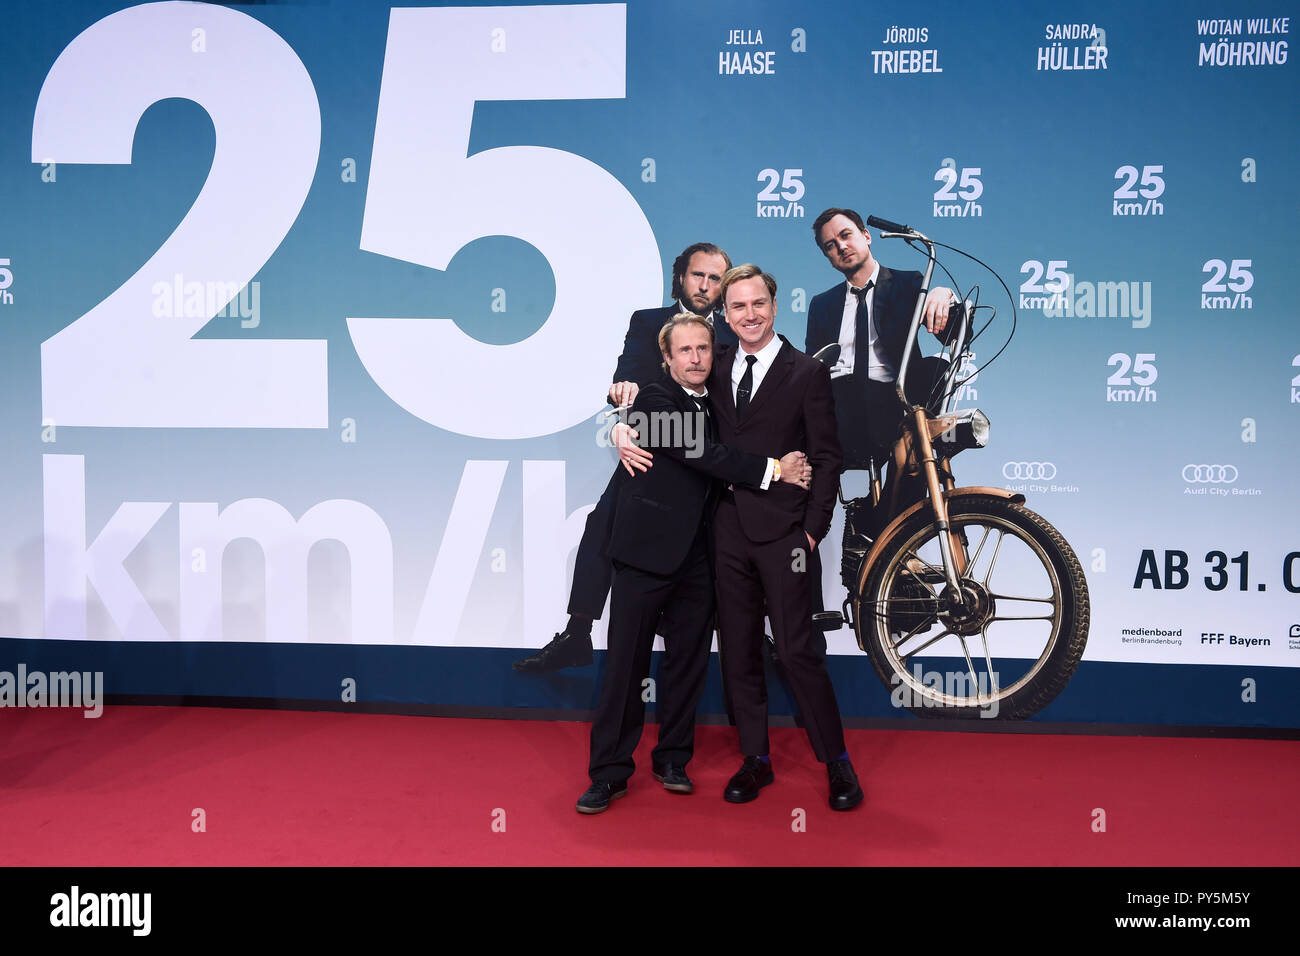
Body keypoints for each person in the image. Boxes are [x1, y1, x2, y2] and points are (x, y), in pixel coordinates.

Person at [576, 313, 811, 813]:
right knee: (625, 669)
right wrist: (772, 469)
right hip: (644, 553)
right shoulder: (656, 400)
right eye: (684, 351)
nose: (696, 358)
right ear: (667, 358)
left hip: (703, 558)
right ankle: (610, 773)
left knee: (686, 666)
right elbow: (701, 451)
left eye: (703, 349)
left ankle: (673, 759)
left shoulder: (725, 400)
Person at [514, 243, 736, 674]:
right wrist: (619, 418)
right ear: (681, 278)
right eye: (698, 276)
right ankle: (578, 633)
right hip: (650, 453)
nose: (705, 286)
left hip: (710, 459)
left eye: (715, 280)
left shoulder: (731, 334)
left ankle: (752, 635)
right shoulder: (648, 322)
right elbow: (626, 378)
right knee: (602, 523)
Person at [707, 264, 864, 812]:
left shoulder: (805, 373)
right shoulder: (716, 365)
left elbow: (826, 458)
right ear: (725, 315)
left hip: (787, 538)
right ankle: (756, 759)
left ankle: (836, 761)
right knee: (740, 652)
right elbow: (670, 405)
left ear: (774, 308)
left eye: (757, 305)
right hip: (727, 532)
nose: (748, 315)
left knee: (799, 652)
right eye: (737, 307)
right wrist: (623, 424)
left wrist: (813, 533)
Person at [805, 208, 957, 470]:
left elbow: (952, 337)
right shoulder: (822, 304)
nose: (841, 246)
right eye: (830, 245)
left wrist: (944, 295)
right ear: (827, 257)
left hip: (891, 396)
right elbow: (812, 363)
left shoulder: (908, 283)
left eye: (846, 235)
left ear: (866, 236)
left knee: (938, 368)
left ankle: (903, 501)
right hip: (841, 404)